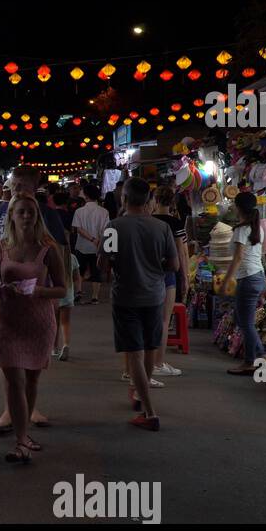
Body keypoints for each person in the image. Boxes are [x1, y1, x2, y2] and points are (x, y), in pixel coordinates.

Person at [0, 195, 66, 462]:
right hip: (7, 321)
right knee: (13, 380)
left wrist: (40, 290)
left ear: (37, 216)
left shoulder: (48, 248)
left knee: (31, 379)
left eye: (31, 212)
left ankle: (24, 432)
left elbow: (63, 288)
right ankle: (20, 440)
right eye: (21, 212)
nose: (27, 217)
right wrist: (1, 289)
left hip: (38, 322)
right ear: (11, 217)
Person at [98, 178, 179, 431]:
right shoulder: (161, 228)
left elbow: (104, 266)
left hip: (125, 297)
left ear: (124, 199)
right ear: (148, 201)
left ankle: (150, 412)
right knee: (148, 347)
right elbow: (174, 266)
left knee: (133, 351)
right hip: (155, 296)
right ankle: (140, 395)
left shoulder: (113, 227)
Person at [219, 192, 266, 376]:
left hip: (248, 278)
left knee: (245, 323)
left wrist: (226, 280)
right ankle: (258, 354)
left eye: (233, 203)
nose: (231, 206)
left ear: (239, 207)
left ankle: (254, 359)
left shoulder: (242, 229)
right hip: (257, 276)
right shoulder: (257, 228)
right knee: (242, 319)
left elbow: (238, 258)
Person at [151, 186, 190, 378]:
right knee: (164, 321)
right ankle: (158, 362)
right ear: (172, 202)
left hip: (148, 274)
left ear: (154, 201)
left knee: (146, 320)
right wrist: (186, 276)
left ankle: (142, 364)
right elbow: (182, 252)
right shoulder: (175, 223)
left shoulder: (148, 221)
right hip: (167, 275)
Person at [71, 184, 109, 305]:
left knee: (79, 270)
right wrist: (98, 241)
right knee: (96, 271)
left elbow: (78, 229)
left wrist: (91, 239)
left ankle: (79, 292)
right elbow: (105, 230)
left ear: (86, 195)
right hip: (97, 247)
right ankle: (95, 297)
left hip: (81, 246)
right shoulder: (104, 212)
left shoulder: (79, 211)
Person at [54, 248, 80, 361]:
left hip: (54, 294)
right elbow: (77, 278)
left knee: (54, 323)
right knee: (65, 323)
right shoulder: (72, 258)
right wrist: (78, 291)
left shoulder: (52, 255)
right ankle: (65, 345)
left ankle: (54, 347)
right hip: (68, 294)